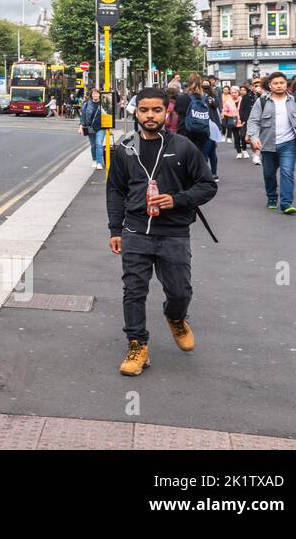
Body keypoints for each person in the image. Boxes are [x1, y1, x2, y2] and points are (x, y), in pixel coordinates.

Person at [106, 88, 217, 376]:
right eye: (144, 110)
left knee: (180, 291)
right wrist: (115, 229)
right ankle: (137, 344)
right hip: (135, 230)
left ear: (166, 112)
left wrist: (176, 199)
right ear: (136, 112)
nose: (150, 115)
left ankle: (176, 317)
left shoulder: (183, 146)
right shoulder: (124, 149)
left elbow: (207, 185)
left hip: (174, 232)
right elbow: (115, 191)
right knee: (133, 290)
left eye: (156, 110)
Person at [246, 71, 296, 215]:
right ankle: (271, 197)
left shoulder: (295, 101)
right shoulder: (262, 101)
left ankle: (286, 203)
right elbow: (253, 121)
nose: (278, 86)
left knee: (287, 173)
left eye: (281, 83)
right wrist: (254, 138)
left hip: (288, 144)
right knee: (269, 174)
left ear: (286, 85)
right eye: (275, 83)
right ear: (270, 85)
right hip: (267, 144)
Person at [175, 74, 219, 180]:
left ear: (187, 84)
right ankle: (200, 178)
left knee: (184, 159)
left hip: (185, 132)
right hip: (202, 132)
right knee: (199, 157)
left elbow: (178, 112)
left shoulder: (182, 98)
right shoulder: (205, 98)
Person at [78, 88, 106, 170]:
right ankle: (94, 160)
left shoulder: (104, 104)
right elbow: (83, 117)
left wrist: (109, 127)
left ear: (99, 95)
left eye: (97, 93)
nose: (95, 95)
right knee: (93, 146)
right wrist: (80, 127)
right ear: (91, 95)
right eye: (94, 94)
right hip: (90, 128)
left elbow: (109, 115)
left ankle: (99, 163)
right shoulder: (87, 104)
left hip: (101, 128)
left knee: (99, 144)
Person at [225, 85, 247, 158]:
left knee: (243, 136)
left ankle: (244, 150)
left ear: (238, 93)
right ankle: (239, 152)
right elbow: (224, 111)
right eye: (232, 92)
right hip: (233, 122)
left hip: (242, 121)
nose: (233, 94)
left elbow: (247, 110)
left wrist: (245, 119)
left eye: (235, 92)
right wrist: (230, 115)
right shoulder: (228, 102)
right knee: (236, 137)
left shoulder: (243, 100)